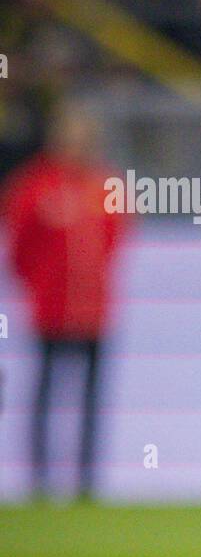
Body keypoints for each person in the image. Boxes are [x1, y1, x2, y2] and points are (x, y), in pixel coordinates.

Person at [2, 99, 127, 498]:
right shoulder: (34, 186)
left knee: (91, 399)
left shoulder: (104, 185)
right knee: (45, 394)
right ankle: (40, 480)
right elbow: (19, 245)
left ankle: (85, 482)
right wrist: (38, 284)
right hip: (51, 309)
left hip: (94, 311)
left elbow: (115, 240)